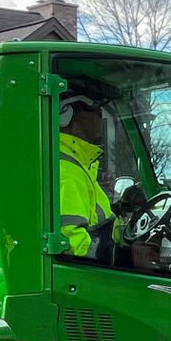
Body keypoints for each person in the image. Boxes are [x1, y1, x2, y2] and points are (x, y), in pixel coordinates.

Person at [58, 88, 116, 259]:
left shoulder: (80, 165)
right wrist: (118, 257)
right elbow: (71, 242)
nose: (100, 117)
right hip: (92, 273)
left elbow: (98, 222)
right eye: (94, 110)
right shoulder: (67, 170)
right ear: (65, 114)